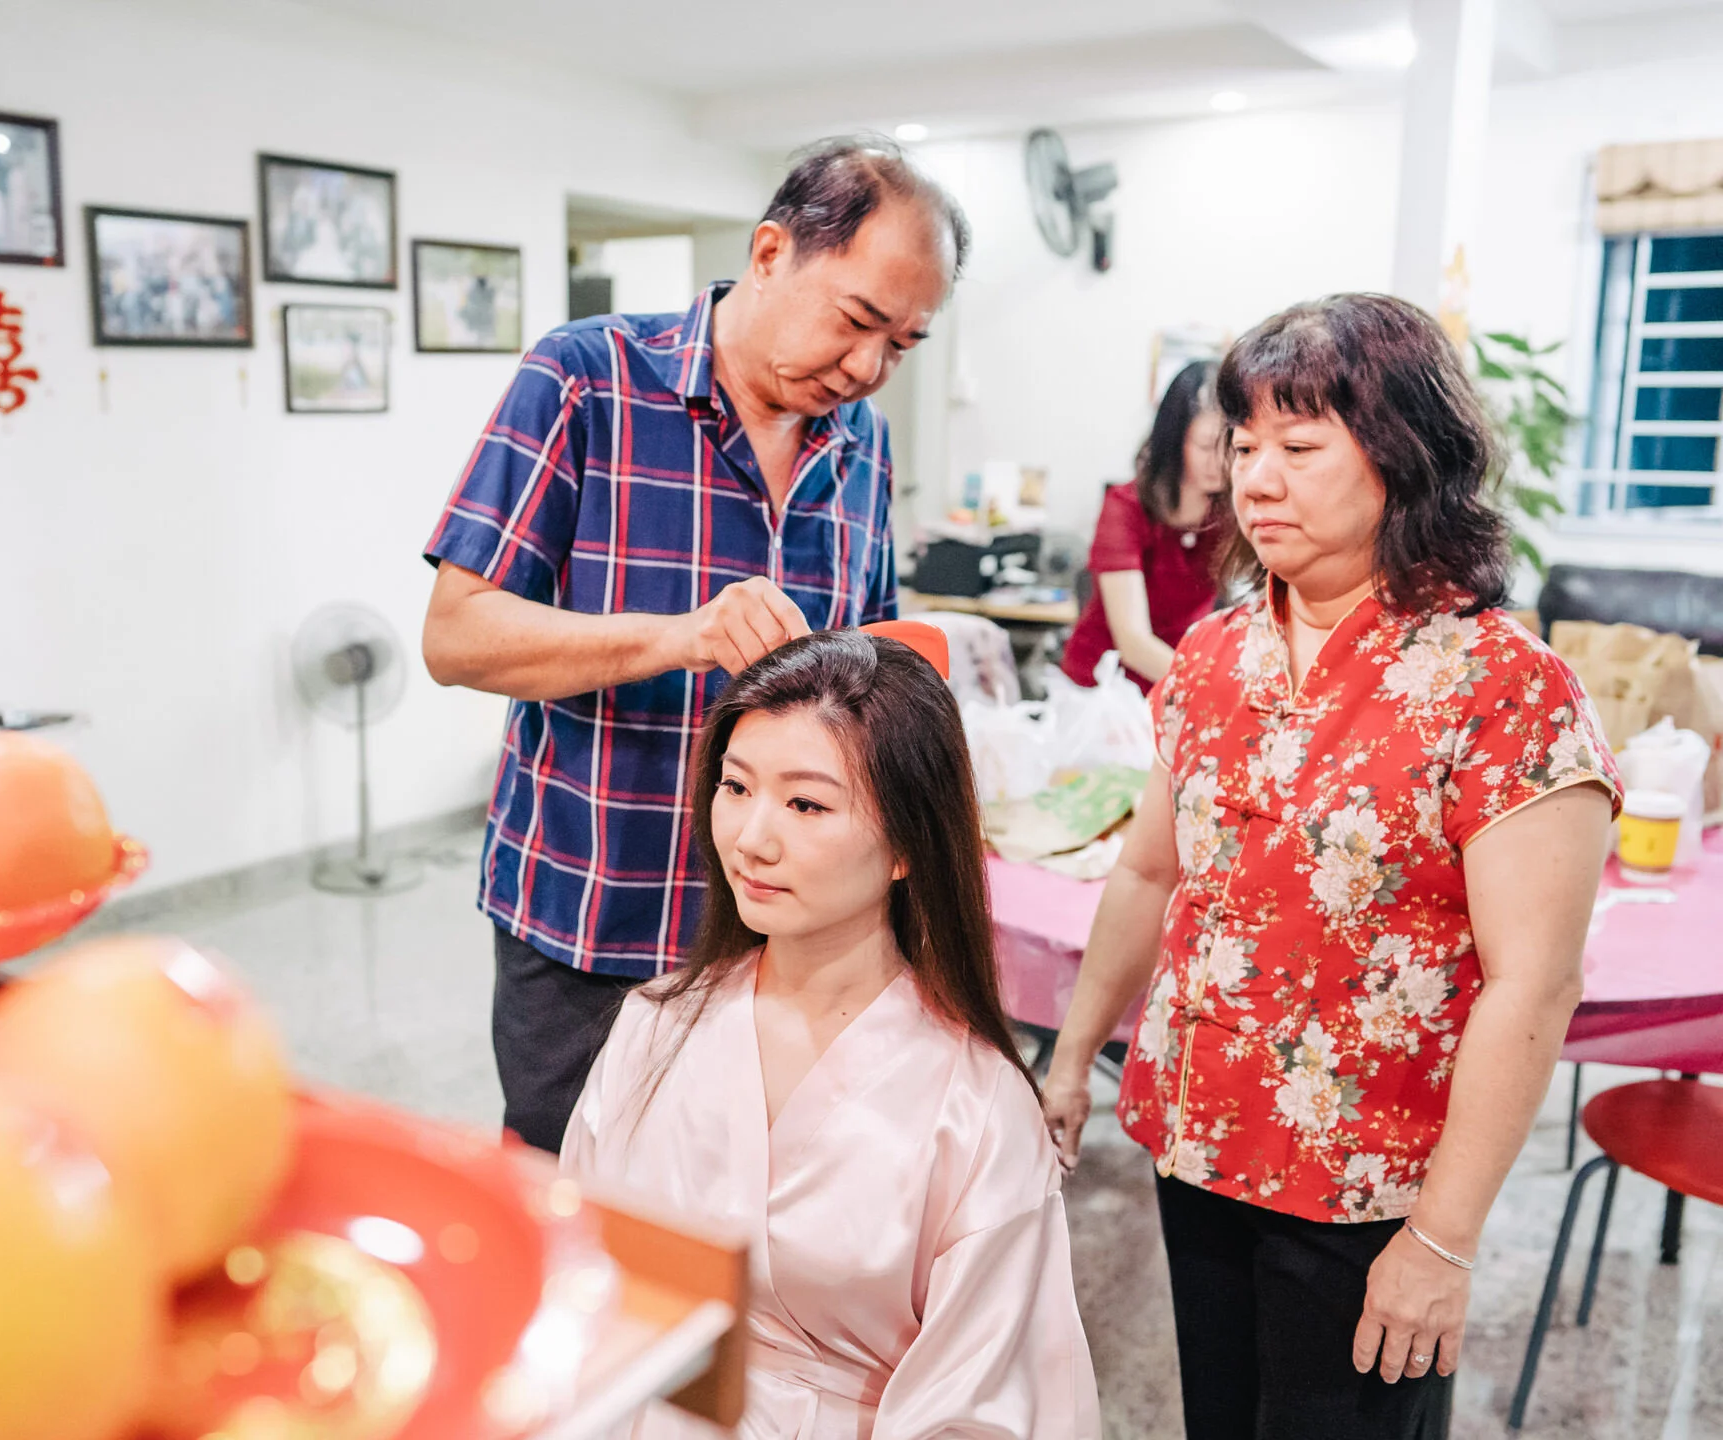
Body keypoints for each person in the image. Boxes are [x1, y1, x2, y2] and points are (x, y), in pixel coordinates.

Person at [1040, 293, 1620, 1440]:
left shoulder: (1501, 683)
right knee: (1223, 1417)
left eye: (1300, 449)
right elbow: (1153, 875)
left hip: (1371, 1180)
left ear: (1405, 459)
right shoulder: (1214, 649)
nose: (1255, 481)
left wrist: (1443, 1239)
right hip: (1200, 1139)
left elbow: (1535, 983)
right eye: (1244, 447)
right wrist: (1068, 1062)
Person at [420, 137, 965, 1152]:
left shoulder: (865, 447)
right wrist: (680, 637)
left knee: (733, 1220)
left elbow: (871, 672)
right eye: (855, 322)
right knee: (567, 1198)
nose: (868, 369)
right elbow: (457, 636)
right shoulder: (587, 380)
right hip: (595, 906)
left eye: (903, 344)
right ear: (769, 253)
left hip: (782, 930)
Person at [565, 627, 1100, 1440]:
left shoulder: (977, 1110)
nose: (751, 838)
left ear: (905, 845)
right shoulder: (655, 1027)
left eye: (806, 803)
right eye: (736, 787)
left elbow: (977, 1409)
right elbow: (583, 1287)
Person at [1056, 359, 1229, 693]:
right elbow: (1133, 641)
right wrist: (1210, 688)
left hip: (1179, 679)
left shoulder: (1232, 509)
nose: (1222, 462)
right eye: (1207, 447)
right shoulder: (1127, 507)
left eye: (1233, 447)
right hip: (1103, 687)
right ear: (1174, 440)